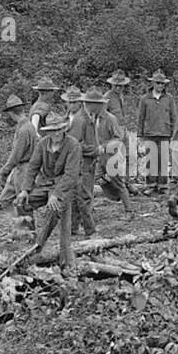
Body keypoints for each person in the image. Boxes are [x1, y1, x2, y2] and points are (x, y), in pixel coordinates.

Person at [16, 111, 80, 272]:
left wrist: (57, 195)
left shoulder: (73, 145)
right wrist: (25, 189)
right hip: (45, 184)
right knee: (22, 204)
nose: (57, 133)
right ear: (48, 131)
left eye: (59, 129)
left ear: (64, 129)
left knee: (59, 216)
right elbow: (32, 167)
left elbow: (71, 175)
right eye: (53, 130)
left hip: (63, 187)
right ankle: (31, 239)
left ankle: (64, 262)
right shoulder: (43, 144)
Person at [0, 94, 36, 227]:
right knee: (5, 199)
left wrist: (2, 173)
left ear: (11, 113)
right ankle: (17, 228)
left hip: (24, 168)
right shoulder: (25, 126)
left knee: (23, 203)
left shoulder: (24, 129)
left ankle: (29, 233)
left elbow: (16, 155)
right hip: (18, 169)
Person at [89, 88, 133, 217]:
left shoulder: (110, 119)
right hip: (99, 156)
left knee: (118, 183)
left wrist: (105, 146)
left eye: (92, 104)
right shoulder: (93, 118)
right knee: (98, 178)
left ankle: (129, 210)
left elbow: (118, 137)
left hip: (111, 156)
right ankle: (113, 196)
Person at [136, 69, 177, 196]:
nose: (160, 86)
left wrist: (174, 134)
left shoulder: (169, 99)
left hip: (165, 133)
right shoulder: (145, 99)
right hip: (150, 133)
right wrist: (140, 136)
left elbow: (173, 117)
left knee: (163, 160)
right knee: (151, 160)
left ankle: (163, 185)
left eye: (162, 84)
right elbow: (140, 118)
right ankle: (151, 185)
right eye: (158, 83)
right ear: (153, 83)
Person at [66, 87, 100, 237]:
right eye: (98, 104)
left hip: (88, 162)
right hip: (82, 163)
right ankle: (90, 230)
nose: (101, 107)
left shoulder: (89, 117)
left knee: (78, 196)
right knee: (84, 197)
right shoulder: (80, 120)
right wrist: (95, 150)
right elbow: (75, 145)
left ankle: (72, 227)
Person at [104, 69, 139, 195]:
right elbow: (102, 115)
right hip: (113, 132)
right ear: (111, 84)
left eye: (120, 85)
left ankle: (127, 182)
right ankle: (116, 186)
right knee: (115, 158)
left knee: (129, 156)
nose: (118, 87)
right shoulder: (107, 97)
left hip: (123, 129)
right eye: (116, 85)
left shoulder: (122, 96)